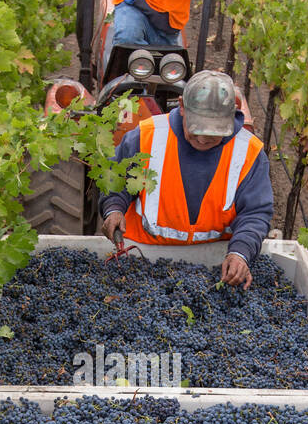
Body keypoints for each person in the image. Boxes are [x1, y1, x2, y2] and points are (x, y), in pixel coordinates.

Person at [100, 70, 273, 289]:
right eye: (196, 128)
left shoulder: (249, 153)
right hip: (141, 260)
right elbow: (117, 181)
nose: (202, 139)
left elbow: (255, 213)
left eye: (212, 133)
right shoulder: (147, 136)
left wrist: (240, 253)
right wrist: (113, 208)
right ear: (182, 106)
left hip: (215, 266)